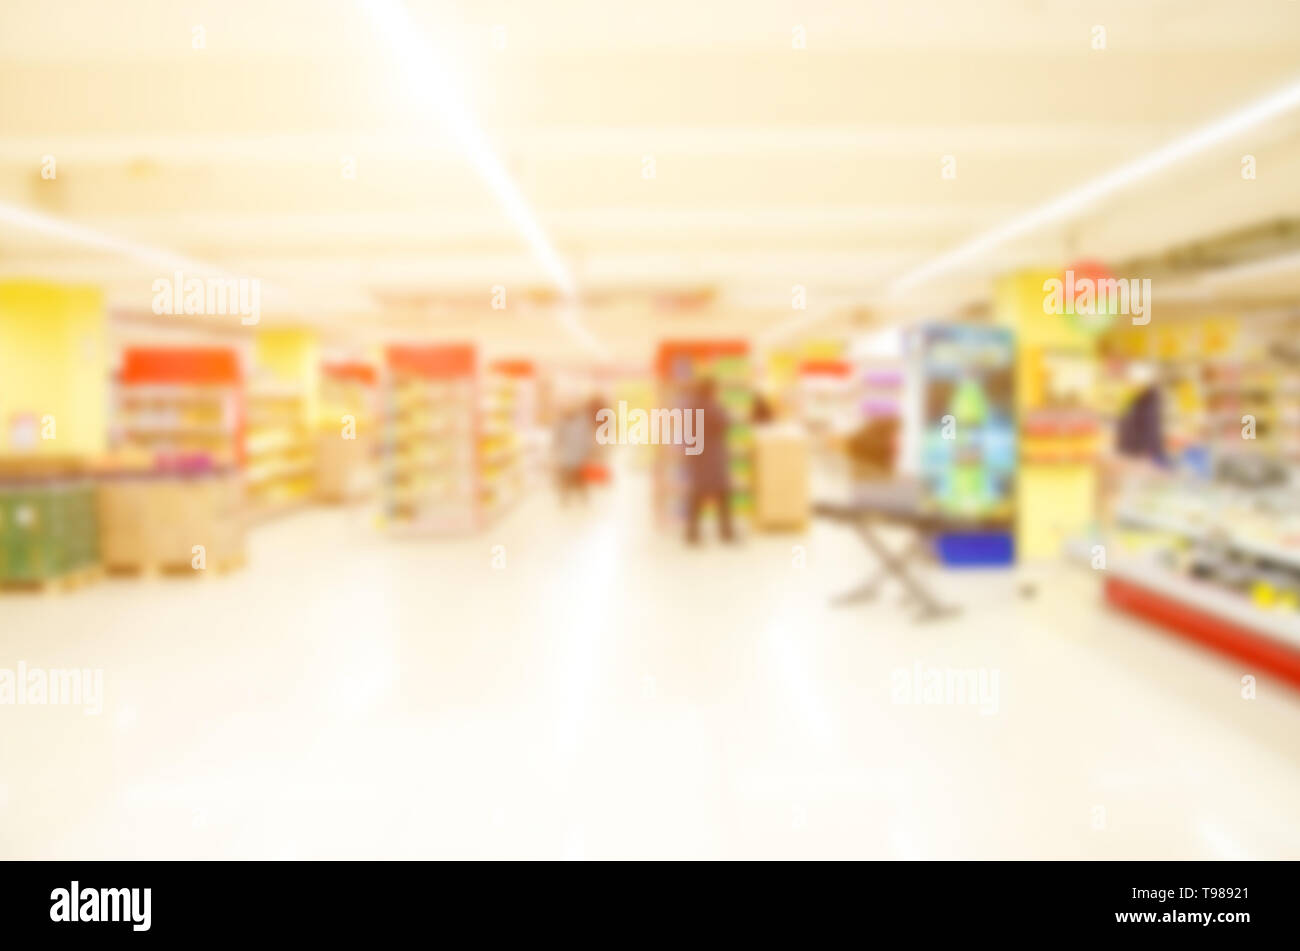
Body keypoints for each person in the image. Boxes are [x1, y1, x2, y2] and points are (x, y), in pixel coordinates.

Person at [685, 377, 735, 544]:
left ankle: (692, 533)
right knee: (723, 494)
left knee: (697, 495)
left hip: (696, 456)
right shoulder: (712, 406)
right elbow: (725, 422)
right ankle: (726, 532)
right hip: (712, 456)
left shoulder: (691, 407)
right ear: (711, 390)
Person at [554, 406, 591, 505]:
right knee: (568, 481)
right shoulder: (563, 424)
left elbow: (586, 439)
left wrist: (587, 453)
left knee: (580, 481)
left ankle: (583, 499)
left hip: (577, 458)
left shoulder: (581, 423)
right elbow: (558, 439)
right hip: (567, 457)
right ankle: (566, 499)